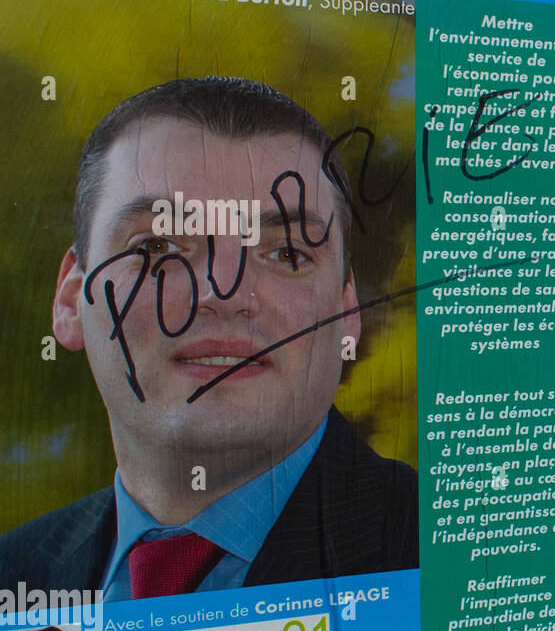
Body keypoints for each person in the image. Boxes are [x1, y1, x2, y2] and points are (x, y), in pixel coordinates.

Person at [0, 78, 418, 599]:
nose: (225, 291)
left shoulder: (456, 558)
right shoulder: (11, 573)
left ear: (347, 310)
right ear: (69, 300)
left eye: (287, 254)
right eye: (156, 245)